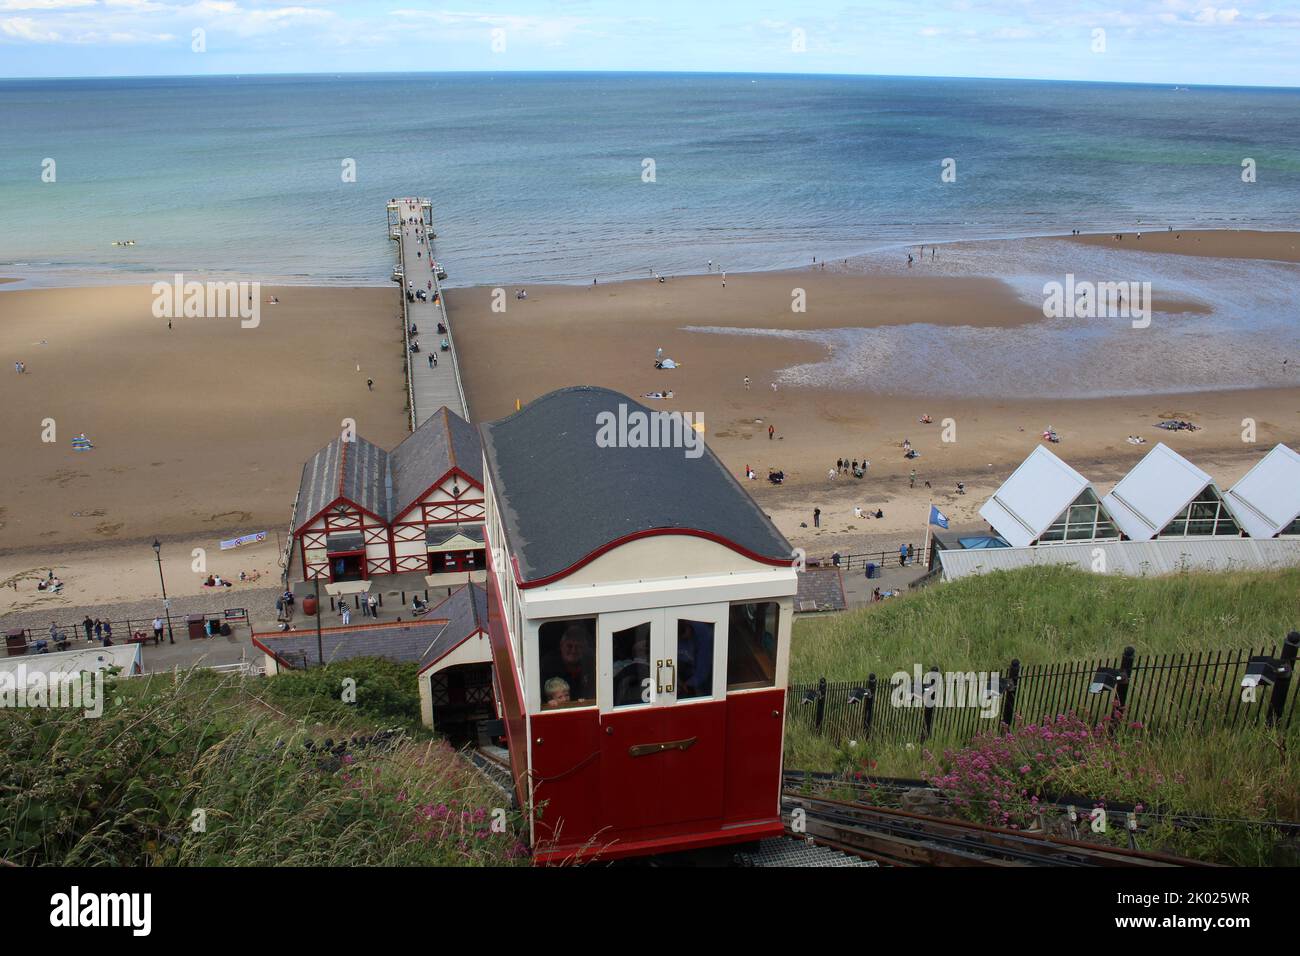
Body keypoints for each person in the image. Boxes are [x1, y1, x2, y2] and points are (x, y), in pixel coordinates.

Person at [541, 623, 596, 703]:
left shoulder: (590, 664)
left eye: (578, 647)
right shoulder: (548, 665)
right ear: (561, 645)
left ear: (584, 649)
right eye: (569, 646)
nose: (573, 650)